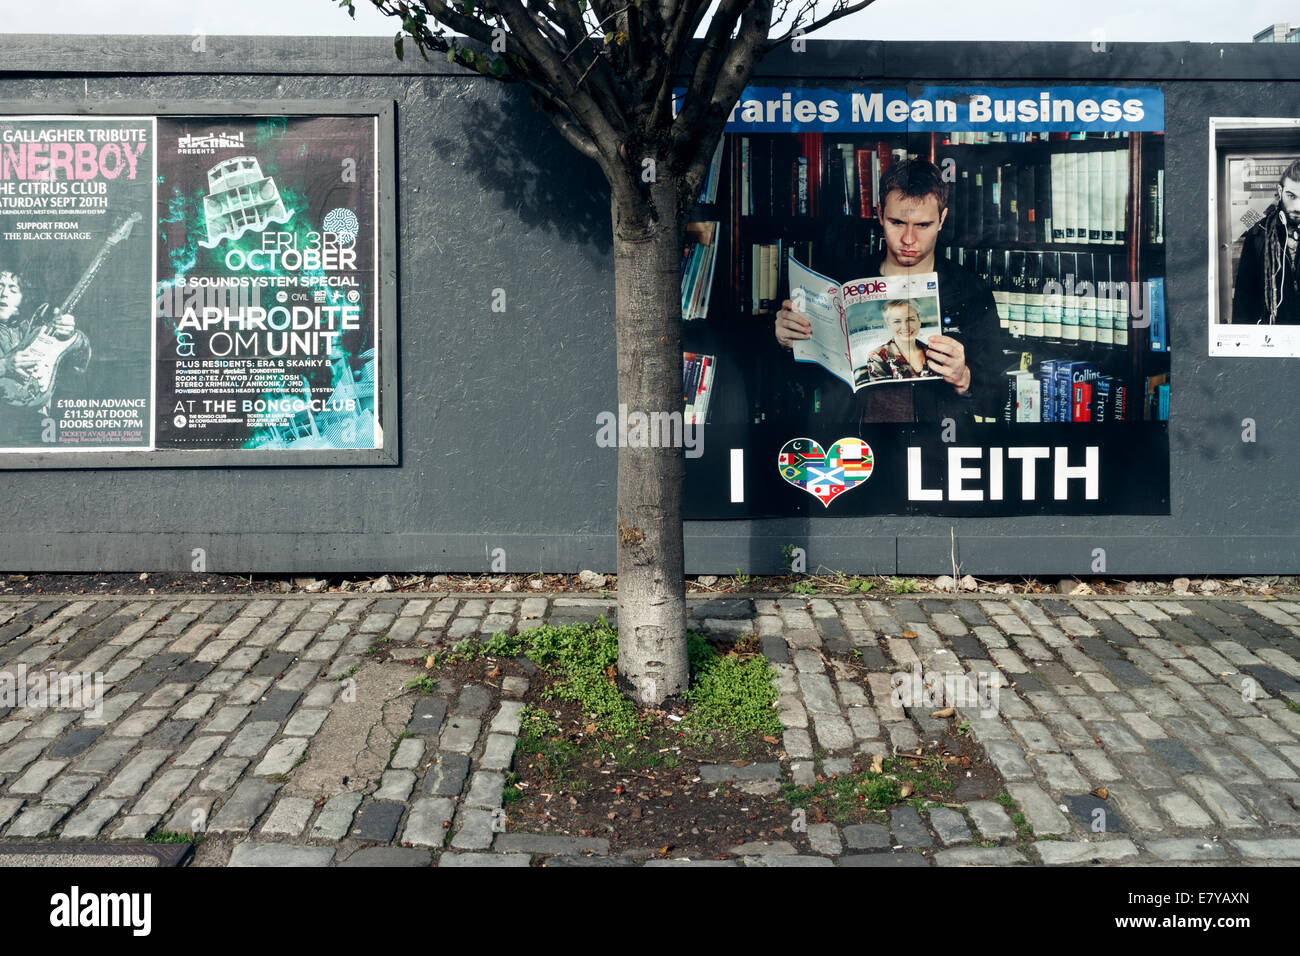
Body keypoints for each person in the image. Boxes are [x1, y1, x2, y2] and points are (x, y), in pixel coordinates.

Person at [774, 158, 1004, 423]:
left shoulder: (971, 291)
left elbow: (996, 397)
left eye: (923, 225)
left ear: (941, 219)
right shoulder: (840, 283)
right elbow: (800, 384)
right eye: (897, 222)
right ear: (880, 214)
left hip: (935, 441)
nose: (908, 239)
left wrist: (964, 378)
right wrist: (786, 343)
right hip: (855, 439)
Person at [0, 261, 77, 441]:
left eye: (13, 289)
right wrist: (4, 365)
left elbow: (79, 363)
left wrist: (71, 335)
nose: (3, 294)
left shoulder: (36, 327)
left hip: (37, 425)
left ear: (25, 297)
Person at [1231, 159, 1300, 324]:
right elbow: (1244, 298)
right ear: (1280, 191)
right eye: (1291, 196)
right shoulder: (1259, 233)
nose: (1298, 206)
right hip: (1271, 332)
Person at [857, 299, 938, 385]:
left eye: (910, 320)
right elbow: (882, 392)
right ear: (888, 325)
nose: (905, 327)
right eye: (897, 321)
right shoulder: (878, 356)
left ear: (919, 321)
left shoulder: (935, 352)